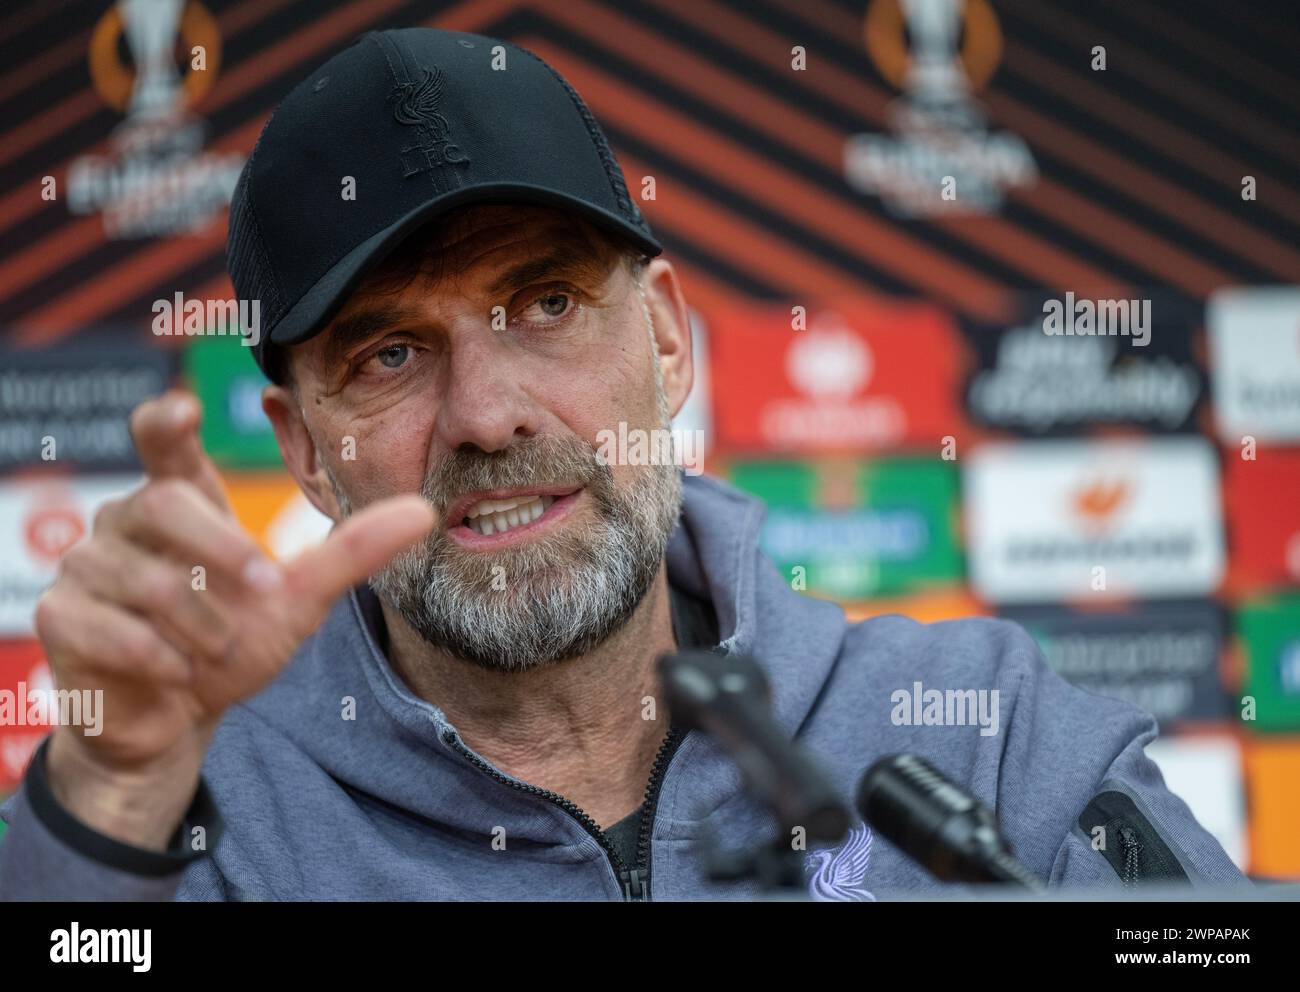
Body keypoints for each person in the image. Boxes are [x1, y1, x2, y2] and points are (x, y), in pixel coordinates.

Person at [0, 28, 1242, 901]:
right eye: (388, 353)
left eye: (542, 303)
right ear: (304, 451)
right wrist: (110, 805)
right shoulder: (189, 825)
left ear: (662, 336)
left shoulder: (986, 731)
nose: (485, 415)